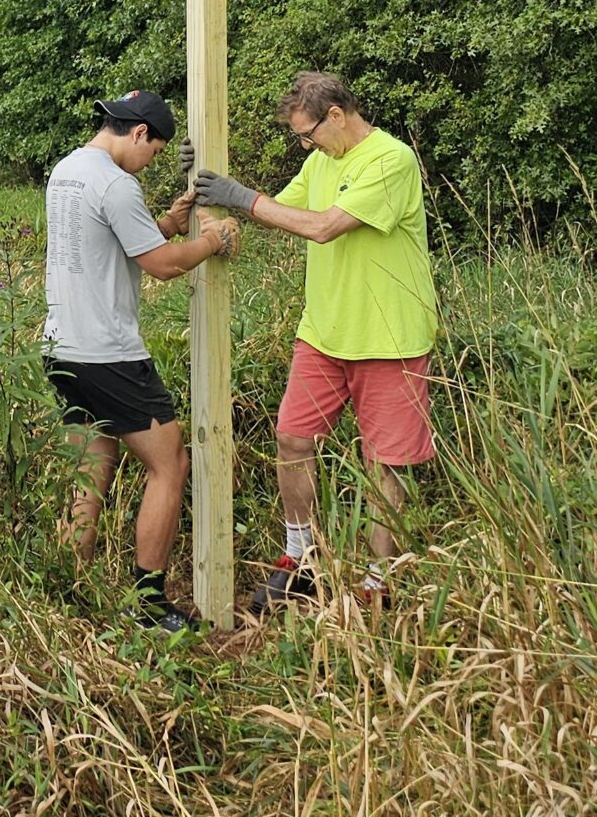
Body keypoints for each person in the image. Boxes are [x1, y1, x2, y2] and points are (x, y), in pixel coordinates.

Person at [187, 71, 437, 614]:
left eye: (308, 134)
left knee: (384, 464)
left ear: (338, 115)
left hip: (388, 337)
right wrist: (207, 186)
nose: (305, 145)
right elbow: (280, 215)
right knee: (293, 440)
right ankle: (301, 561)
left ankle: (377, 582)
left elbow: (323, 226)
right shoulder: (321, 161)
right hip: (324, 334)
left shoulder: (390, 161)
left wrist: (242, 197)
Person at [44, 89, 240, 633]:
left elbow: (111, 243)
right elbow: (160, 266)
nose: (151, 159)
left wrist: (171, 223)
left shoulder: (67, 170)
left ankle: (69, 589)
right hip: (108, 353)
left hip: (62, 349)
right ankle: (151, 604)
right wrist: (211, 239)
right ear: (137, 133)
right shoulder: (115, 181)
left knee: (91, 465)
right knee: (169, 463)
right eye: (153, 150)